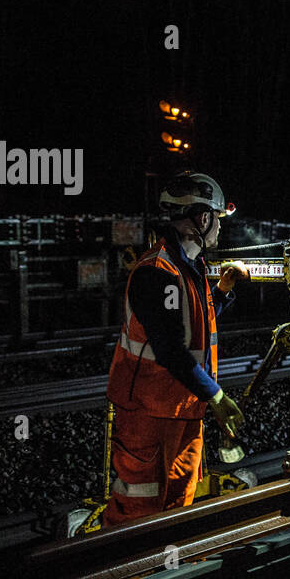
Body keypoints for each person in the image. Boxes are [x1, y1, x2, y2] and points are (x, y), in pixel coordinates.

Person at [101, 172, 247, 529]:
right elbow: (168, 348)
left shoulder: (189, 267)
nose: (219, 230)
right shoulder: (157, 272)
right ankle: (126, 577)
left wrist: (224, 290)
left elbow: (195, 324)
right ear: (203, 218)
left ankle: (168, 571)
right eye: (218, 221)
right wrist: (215, 395)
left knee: (177, 504)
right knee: (139, 508)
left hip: (181, 407)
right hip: (149, 413)